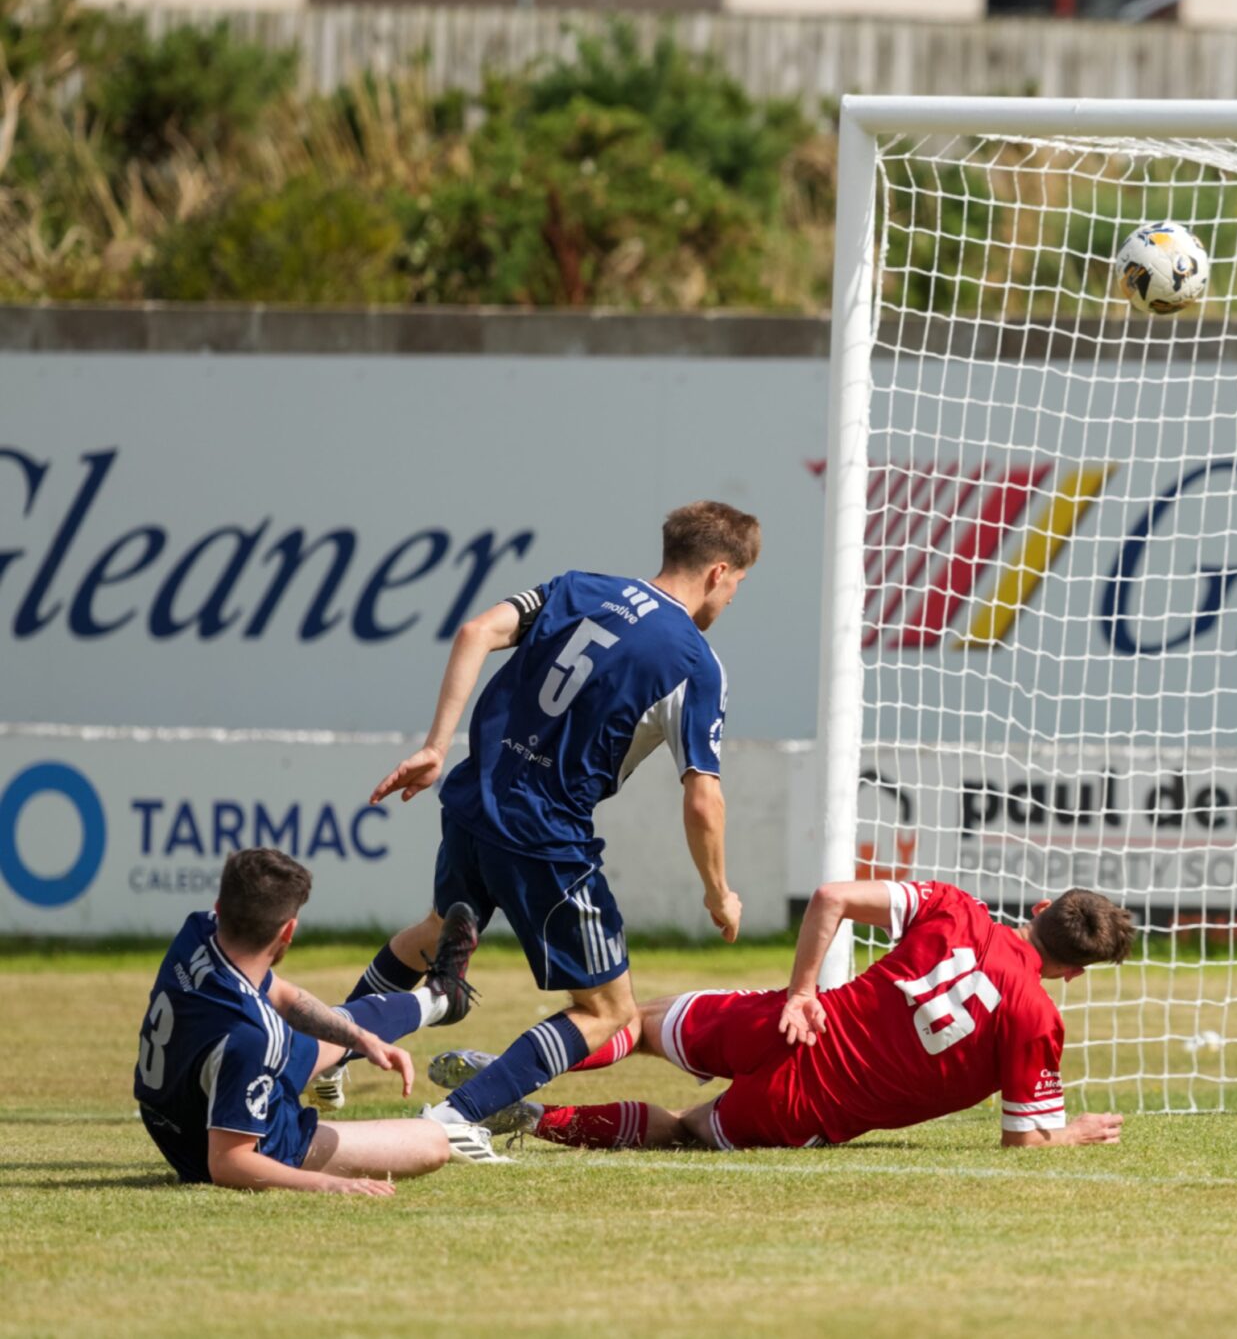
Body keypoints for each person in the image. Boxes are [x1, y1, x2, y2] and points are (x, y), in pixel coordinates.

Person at [333, 502, 760, 1150]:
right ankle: (454, 1119)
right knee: (607, 1011)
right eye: (736, 587)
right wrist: (718, 891)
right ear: (719, 571)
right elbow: (703, 796)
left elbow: (476, 630)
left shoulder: (578, 587)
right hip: (546, 835)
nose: (730, 601)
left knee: (431, 934)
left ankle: (325, 1051)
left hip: (476, 798)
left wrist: (434, 746)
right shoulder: (695, 663)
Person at [431, 880, 1134, 1152]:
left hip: (797, 1020)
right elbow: (1026, 1144)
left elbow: (829, 897)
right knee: (685, 1130)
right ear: (1074, 970)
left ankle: (502, 1080)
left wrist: (802, 992)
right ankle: (539, 1120)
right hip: (809, 1104)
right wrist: (1069, 1135)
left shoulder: (955, 907)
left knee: (633, 1022)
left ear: (1040, 908)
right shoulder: (1037, 1016)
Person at [133, 847, 486, 1193]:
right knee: (433, 1143)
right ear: (288, 931)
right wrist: (328, 1183)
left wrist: (360, 1040)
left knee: (342, 1024)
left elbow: (284, 997)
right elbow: (228, 1163)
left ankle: (440, 999)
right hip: (227, 1145)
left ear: (219, 908)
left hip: (174, 1110)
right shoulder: (256, 1036)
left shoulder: (199, 932)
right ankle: (440, 1098)